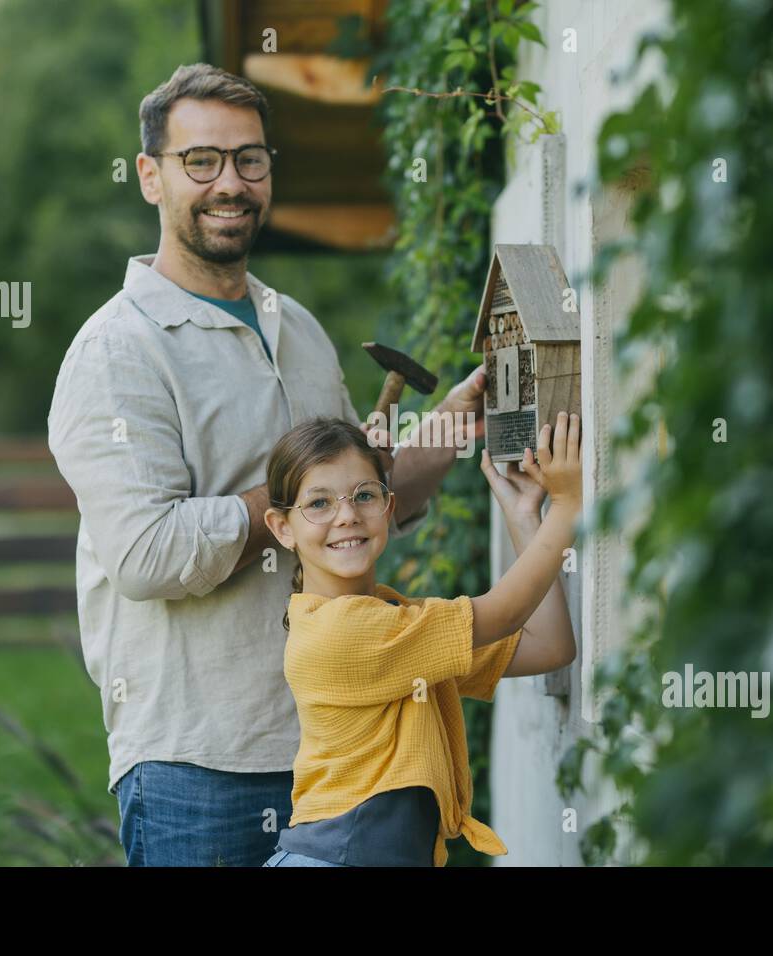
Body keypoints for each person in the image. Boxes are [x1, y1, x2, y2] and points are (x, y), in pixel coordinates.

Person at [46, 63, 486, 866]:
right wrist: (295, 500)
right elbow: (147, 556)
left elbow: (363, 499)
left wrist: (459, 421)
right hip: (199, 764)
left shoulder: (299, 329)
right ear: (151, 176)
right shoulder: (116, 353)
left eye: (250, 160)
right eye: (202, 161)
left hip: (336, 747)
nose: (231, 183)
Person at [260, 412, 581, 866]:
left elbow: (549, 645)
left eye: (364, 495)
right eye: (318, 504)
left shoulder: (396, 621)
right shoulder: (346, 633)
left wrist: (528, 518)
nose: (347, 516)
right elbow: (506, 611)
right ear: (282, 527)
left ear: (388, 508)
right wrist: (567, 507)